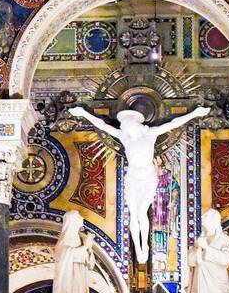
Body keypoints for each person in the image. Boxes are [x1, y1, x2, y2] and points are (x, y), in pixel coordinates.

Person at [69, 104, 209, 261]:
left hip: (148, 179)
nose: (124, 128)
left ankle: (145, 246)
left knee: (142, 212)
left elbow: (173, 124)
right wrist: (83, 113)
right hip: (132, 179)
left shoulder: (150, 134)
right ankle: (137, 247)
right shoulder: (125, 137)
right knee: (133, 214)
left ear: (135, 123)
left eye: (126, 124)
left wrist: (194, 113)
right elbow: (103, 126)